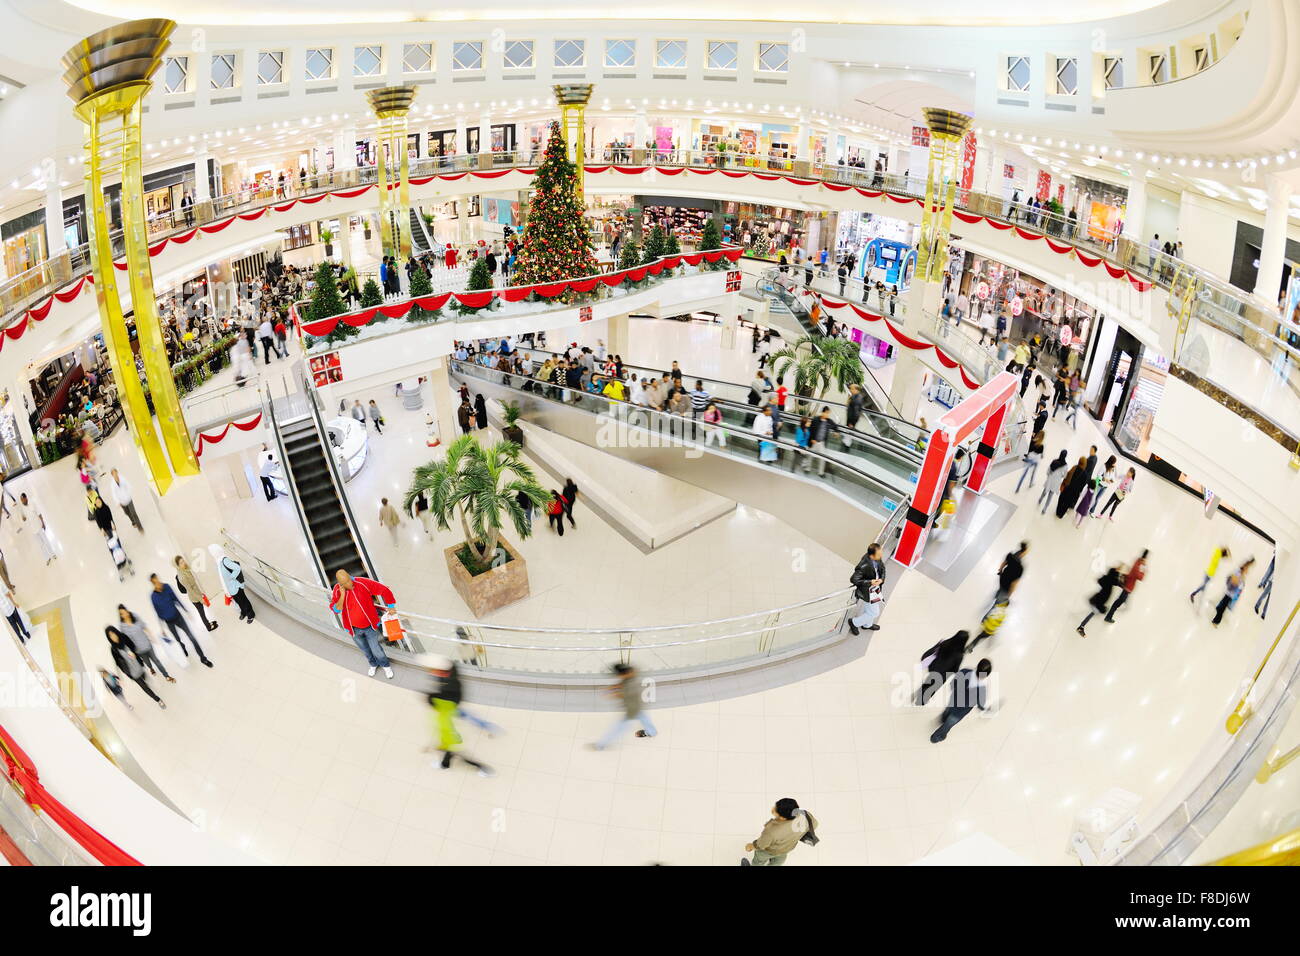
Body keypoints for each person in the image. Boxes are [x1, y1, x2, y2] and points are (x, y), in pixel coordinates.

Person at [426, 655, 494, 776]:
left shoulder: (450, 688)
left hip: (453, 729)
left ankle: (483, 769)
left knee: (458, 752)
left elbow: (447, 728)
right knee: (451, 749)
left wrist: (446, 743)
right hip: (451, 716)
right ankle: (445, 764)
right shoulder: (450, 678)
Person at [330, 569, 397, 678]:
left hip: (369, 626)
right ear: (340, 584)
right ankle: (373, 664)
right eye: (345, 583)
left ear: (349, 576)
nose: (349, 584)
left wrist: (391, 606)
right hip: (353, 629)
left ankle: (386, 666)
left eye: (349, 580)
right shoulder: (337, 590)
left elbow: (384, 589)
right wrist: (342, 595)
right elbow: (336, 610)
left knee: (376, 649)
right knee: (365, 649)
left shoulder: (362, 583)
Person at [149, 574, 213, 667]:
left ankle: (203, 658)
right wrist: (161, 628)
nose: (158, 583)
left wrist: (186, 610)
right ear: (153, 584)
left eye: (158, 580)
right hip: (169, 622)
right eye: (155, 582)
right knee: (177, 639)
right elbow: (157, 612)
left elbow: (176, 599)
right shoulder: (153, 597)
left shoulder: (167, 587)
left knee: (191, 637)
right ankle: (182, 647)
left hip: (178, 617)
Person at [590, 662, 657, 750]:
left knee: (619, 728)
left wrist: (611, 693)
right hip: (638, 705)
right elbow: (622, 684)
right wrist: (614, 687)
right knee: (643, 717)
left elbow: (621, 694)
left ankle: (601, 745)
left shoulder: (630, 686)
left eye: (618, 675)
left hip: (632, 709)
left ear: (623, 674)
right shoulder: (632, 673)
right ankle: (651, 732)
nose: (618, 677)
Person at [741, 798, 819, 866]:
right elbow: (815, 824)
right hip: (786, 849)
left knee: (758, 861)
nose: (772, 809)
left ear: (783, 818)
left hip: (769, 851)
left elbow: (761, 845)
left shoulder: (772, 830)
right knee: (778, 862)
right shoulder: (805, 815)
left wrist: (751, 846)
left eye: (775, 810)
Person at [930, 659, 994, 743]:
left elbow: (952, 684)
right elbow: (980, 704)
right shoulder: (981, 689)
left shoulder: (965, 671)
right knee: (948, 724)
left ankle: (942, 719)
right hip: (960, 711)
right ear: (986, 675)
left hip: (953, 700)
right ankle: (937, 737)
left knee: (947, 710)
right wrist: (985, 709)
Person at [106, 626, 165, 709]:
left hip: (138, 665)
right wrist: (123, 675)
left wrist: (134, 653)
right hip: (131, 672)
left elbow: (133, 646)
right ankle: (158, 700)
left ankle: (149, 684)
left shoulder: (123, 637)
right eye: (110, 636)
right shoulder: (113, 649)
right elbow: (118, 663)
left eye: (113, 633)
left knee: (146, 678)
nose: (113, 636)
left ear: (116, 632)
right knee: (144, 687)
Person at [117, 604, 175, 682]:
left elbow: (144, 626)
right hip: (139, 650)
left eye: (125, 612)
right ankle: (151, 668)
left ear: (127, 611)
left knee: (156, 660)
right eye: (122, 614)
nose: (124, 615)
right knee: (147, 663)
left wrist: (152, 636)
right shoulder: (122, 626)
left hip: (147, 644)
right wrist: (129, 651)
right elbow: (124, 639)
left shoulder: (135, 616)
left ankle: (167, 676)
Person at [916, 630, 969, 706]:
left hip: (934, 667)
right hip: (942, 675)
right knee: (933, 688)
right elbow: (955, 669)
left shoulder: (945, 642)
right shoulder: (959, 655)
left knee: (928, 682)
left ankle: (920, 692)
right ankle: (922, 701)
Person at [846, 543, 886, 634]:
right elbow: (853, 579)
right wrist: (870, 582)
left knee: (869, 610)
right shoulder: (863, 565)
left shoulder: (877, 558)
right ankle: (854, 623)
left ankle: (867, 625)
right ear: (872, 555)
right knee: (874, 612)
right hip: (868, 591)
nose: (881, 556)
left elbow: (883, 568)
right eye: (879, 554)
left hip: (875, 589)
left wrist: (881, 579)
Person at [210, 544, 255, 622]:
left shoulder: (224, 560)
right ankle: (243, 612)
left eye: (212, 552)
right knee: (238, 601)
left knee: (243, 600)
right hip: (230, 588)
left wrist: (231, 577)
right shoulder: (218, 562)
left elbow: (237, 568)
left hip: (235, 586)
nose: (212, 554)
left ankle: (251, 614)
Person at [173, 555, 218, 631]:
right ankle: (208, 627)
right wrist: (200, 599)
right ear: (178, 565)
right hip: (194, 598)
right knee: (202, 613)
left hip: (197, 593)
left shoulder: (185, 569)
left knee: (202, 611)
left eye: (183, 560)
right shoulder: (182, 577)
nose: (183, 563)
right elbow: (190, 590)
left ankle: (208, 623)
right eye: (181, 562)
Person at [1077, 564, 1123, 637]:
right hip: (1099, 602)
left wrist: (1117, 570)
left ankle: (1081, 626)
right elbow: (1119, 583)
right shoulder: (1113, 580)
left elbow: (1099, 580)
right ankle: (1081, 627)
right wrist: (1119, 573)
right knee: (1093, 613)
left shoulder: (1106, 578)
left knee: (1093, 612)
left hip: (1097, 598)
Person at [1104, 549, 1148, 623]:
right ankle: (1108, 616)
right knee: (1118, 603)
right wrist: (1145, 568)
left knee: (1124, 598)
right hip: (1128, 587)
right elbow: (1141, 577)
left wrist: (1143, 564)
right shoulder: (1137, 567)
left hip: (1128, 585)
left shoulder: (1137, 561)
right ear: (1144, 559)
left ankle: (1124, 601)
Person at [1212, 559, 1255, 627]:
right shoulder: (1239, 574)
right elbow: (1234, 582)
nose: (1247, 571)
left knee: (1223, 604)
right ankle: (1216, 621)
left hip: (1230, 593)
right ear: (1244, 568)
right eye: (1246, 569)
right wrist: (1239, 582)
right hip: (1230, 593)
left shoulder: (1240, 573)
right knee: (1223, 607)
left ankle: (1218, 609)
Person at [109, 468, 144, 533]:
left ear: (117, 472)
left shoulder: (122, 478)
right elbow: (114, 494)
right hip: (122, 502)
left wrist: (128, 493)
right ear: (112, 475)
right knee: (127, 513)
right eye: (113, 474)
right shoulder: (112, 484)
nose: (115, 475)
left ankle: (140, 527)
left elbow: (128, 485)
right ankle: (133, 522)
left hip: (128, 499)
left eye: (116, 473)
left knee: (133, 513)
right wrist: (118, 502)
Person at [1037, 450, 1069, 515]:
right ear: (1065, 456)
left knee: (1045, 491)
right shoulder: (1065, 466)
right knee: (1050, 496)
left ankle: (1040, 499)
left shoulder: (1054, 461)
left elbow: (1048, 471)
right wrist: (1060, 475)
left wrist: (1049, 475)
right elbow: (1065, 476)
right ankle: (1045, 508)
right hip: (1056, 482)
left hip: (1050, 479)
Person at [1255, 554, 1275, 619]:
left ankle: (1264, 613)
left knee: (1270, 600)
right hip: (1272, 582)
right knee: (1264, 595)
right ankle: (1257, 605)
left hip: (1277, 585)